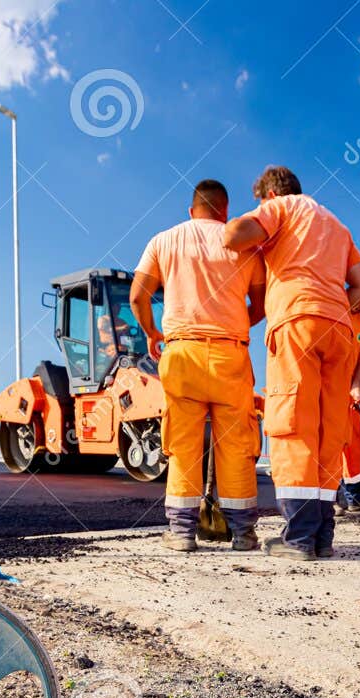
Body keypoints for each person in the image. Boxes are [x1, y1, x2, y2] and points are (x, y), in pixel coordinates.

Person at [225, 165, 360, 560]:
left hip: (297, 322)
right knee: (329, 428)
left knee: (293, 423)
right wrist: (336, 304)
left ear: (270, 194)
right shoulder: (337, 226)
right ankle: (321, 535)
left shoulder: (281, 208)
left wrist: (257, 238)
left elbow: (233, 235)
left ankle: (297, 539)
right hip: (340, 331)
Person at [131, 179, 267, 552]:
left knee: (183, 442)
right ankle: (243, 534)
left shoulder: (164, 240)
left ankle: (181, 534)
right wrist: (234, 324)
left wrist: (152, 333)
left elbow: (138, 296)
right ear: (225, 211)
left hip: (181, 355)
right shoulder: (243, 242)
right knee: (238, 443)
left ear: (192, 210)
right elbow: (261, 303)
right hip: (230, 356)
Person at [339, 313, 360, 511]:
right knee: (330, 445)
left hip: (350, 398)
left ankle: (355, 496)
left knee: (353, 445)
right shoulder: (333, 314)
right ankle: (329, 499)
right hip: (328, 392)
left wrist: (355, 386)